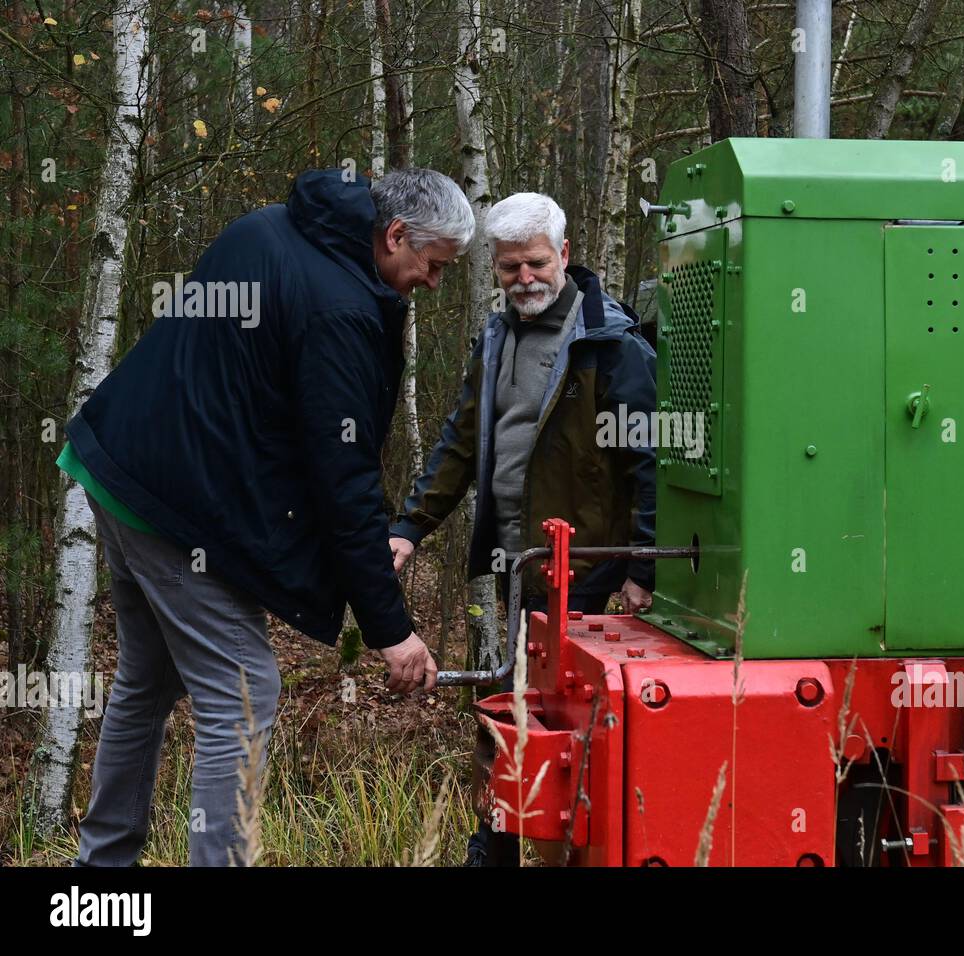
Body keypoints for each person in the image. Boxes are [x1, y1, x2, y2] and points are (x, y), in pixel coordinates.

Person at [60, 167, 472, 865]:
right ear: (395, 234)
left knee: (146, 680)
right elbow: (339, 476)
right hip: (176, 508)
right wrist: (391, 629)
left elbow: (256, 413)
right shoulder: (338, 306)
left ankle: (101, 871)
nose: (433, 283)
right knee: (246, 698)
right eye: (432, 267)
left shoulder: (273, 225)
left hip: (116, 466)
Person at [386, 192, 657, 865]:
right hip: (518, 567)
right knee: (514, 709)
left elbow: (652, 461)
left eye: (535, 264)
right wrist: (410, 527)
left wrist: (642, 567)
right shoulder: (497, 336)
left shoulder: (610, 344)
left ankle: (548, 850)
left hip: (588, 576)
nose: (524, 280)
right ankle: (500, 844)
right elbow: (459, 443)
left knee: (581, 734)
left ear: (564, 254)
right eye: (510, 269)